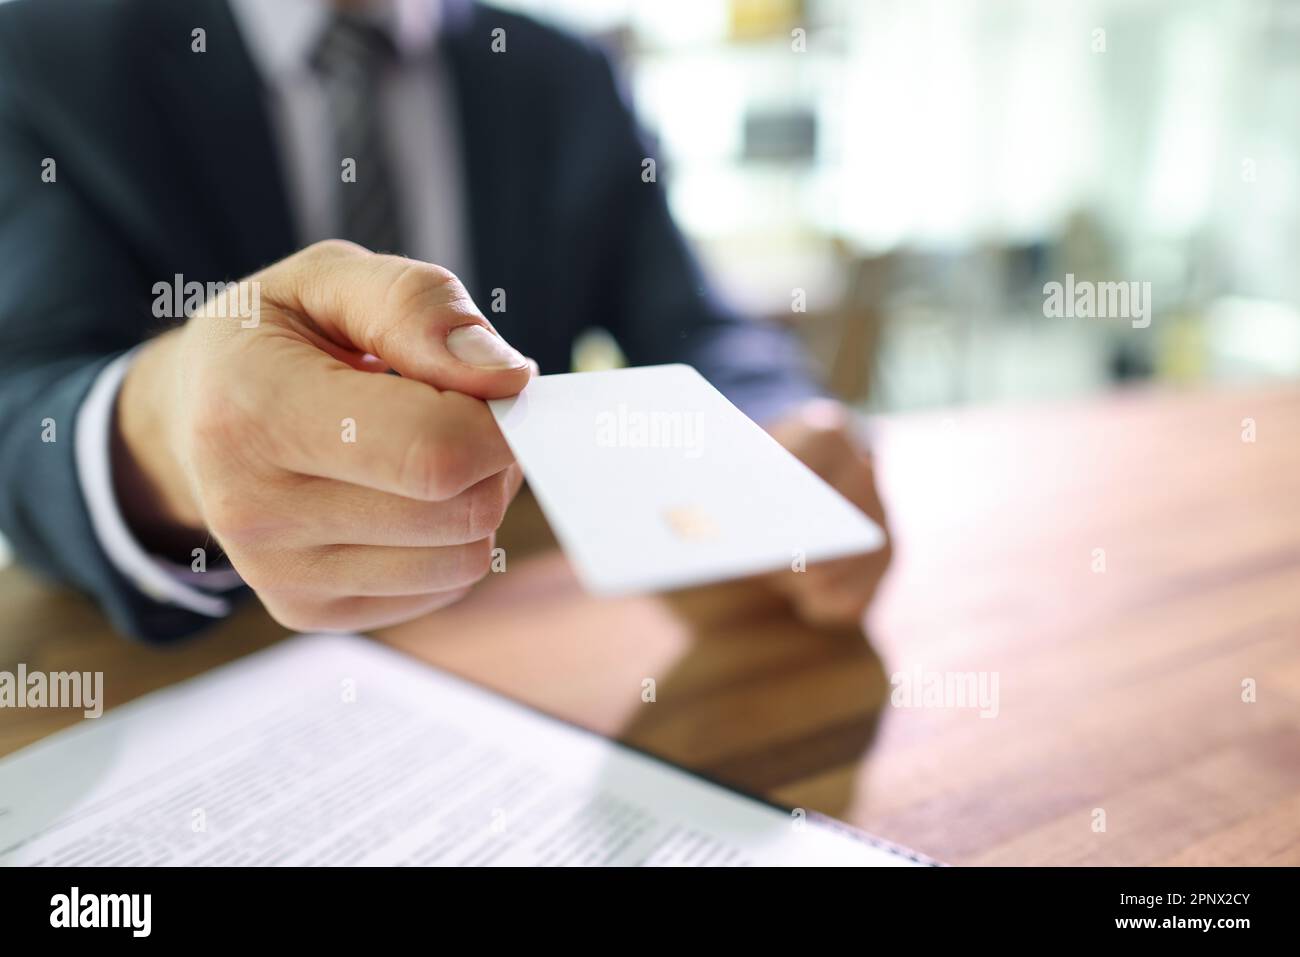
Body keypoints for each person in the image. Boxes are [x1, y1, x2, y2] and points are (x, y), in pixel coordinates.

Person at [0, 0, 890, 642]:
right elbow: (25, 395)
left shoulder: (563, 74)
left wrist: (776, 428)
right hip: (187, 666)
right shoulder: (43, 49)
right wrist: (168, 434)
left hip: (513, 632)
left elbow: (692, 324)